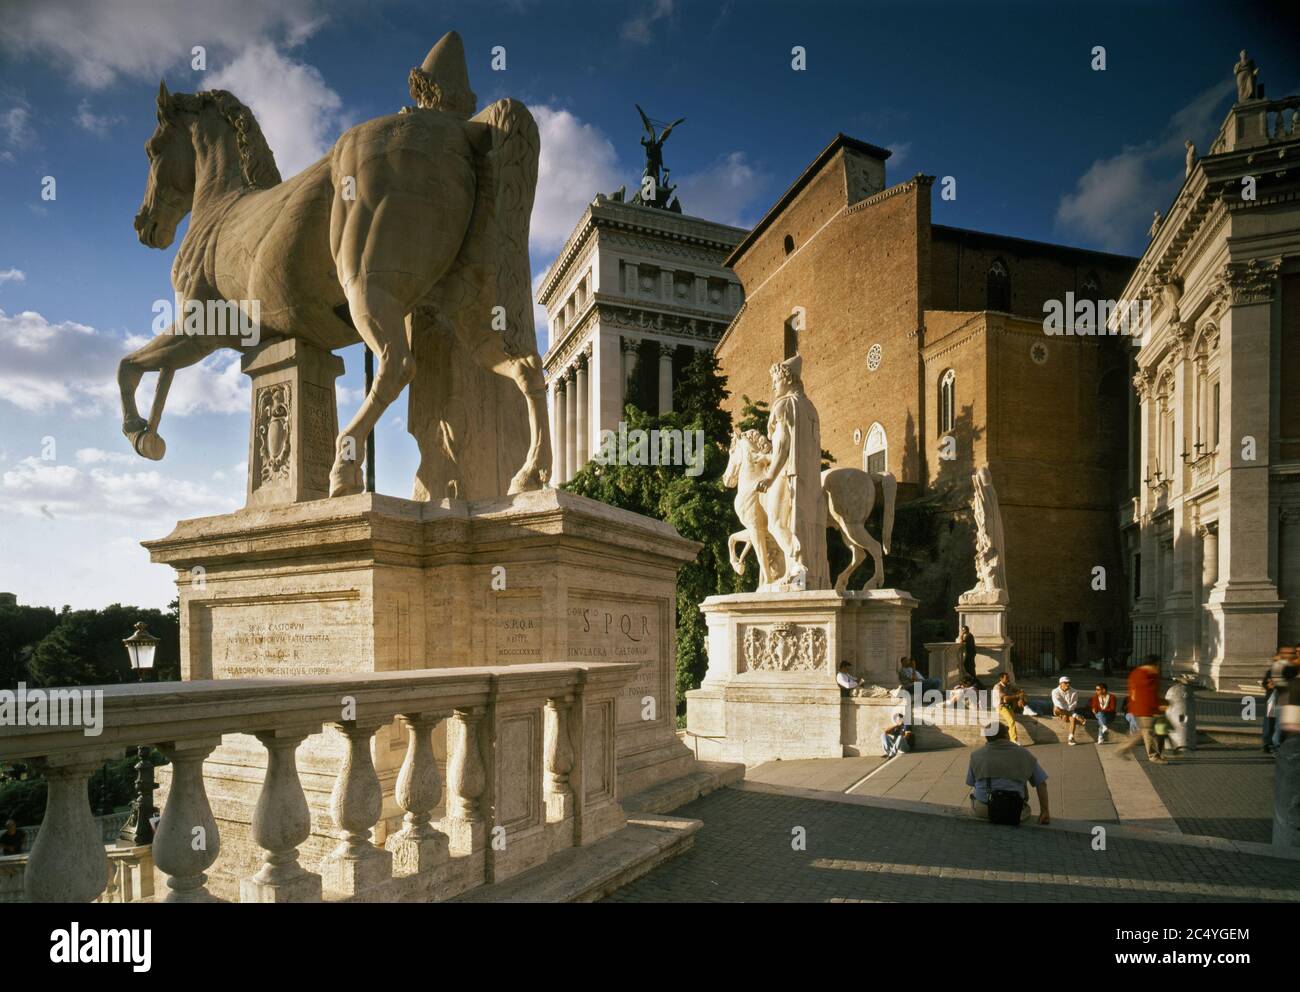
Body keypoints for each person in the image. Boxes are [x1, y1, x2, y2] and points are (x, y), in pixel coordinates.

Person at [965, 721, 1051, 825]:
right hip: (1014, 811)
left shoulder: (976, 755)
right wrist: (1045, 811)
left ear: (987, 737)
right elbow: (1041, 784)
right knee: (1025, 807)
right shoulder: (1024, 754)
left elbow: (971, 782)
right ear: (1006, 735)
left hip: (983, 810)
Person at [1116, 655, 1165, 762]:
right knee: (1149, 733)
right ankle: (1153, 756)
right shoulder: (1148, 675)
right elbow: (1148, 694)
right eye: (1158, 664)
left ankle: (1123, 748)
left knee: (1141, 732)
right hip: (1146, 709)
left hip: (1139, 708)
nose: (1159, 667)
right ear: (1154, 664)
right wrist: (1159, 706)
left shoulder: (1136, 673)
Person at [1051, 675, 1089, 745]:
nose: (1068, 684)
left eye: (1069, 683)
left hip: (1069, 710)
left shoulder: (1074, 691)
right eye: (1065, 683)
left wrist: (1069, 713)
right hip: (1059, 710)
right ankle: (1076, 715)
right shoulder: (1055, 691)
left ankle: (1071, 738)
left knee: (1073, 718)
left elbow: (1073, 704)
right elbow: (1058, 704)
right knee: (1057, 709)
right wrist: (1073, 714)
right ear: (1060, 684)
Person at [991, 671, 1025, 745]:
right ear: (1001, 678)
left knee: (1023, 699)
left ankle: (1025, 709)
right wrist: (1017, 696)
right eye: (1006, 678)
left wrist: (1020, 699)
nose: (1008, 679)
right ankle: (1014, 740)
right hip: (1001, 706)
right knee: (1011, 721)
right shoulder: (997, 687)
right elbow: (1005, 698)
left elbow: (1021, 691)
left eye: (1008, 677)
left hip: (1009, 706)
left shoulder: (1008, 685)